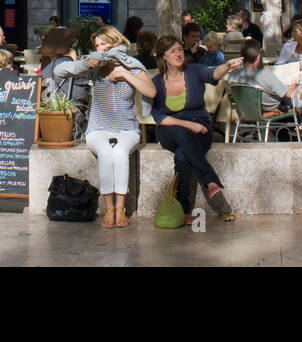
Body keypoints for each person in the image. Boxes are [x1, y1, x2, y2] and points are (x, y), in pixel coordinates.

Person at [52, 25, 155, 228]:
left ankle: (120, 209)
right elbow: (58, 71)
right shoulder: (95, 69)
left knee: (120, 153)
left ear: (115, 43)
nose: (100, 49)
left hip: (127, 128)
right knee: (107, 153)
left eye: (104, 44)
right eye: (97, 46)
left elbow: (150, 92)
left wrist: (125, 75)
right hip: (98, 128)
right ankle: (109, 209)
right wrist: (83, 64)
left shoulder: (132, 65)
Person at [151, 34, 242, 222]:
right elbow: (159, 116)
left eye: (179, 49)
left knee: (182, 156)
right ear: (163, 57)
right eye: (172, 51)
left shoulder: (193, 71)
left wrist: (227, 66)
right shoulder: (157, 82)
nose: (178, 54)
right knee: (179, 131)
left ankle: (184, 210)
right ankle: (210, 180)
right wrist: (188, 124)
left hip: (200, 127)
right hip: (171, 129)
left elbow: (213, 74)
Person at [229, 39, 302, 121]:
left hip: (247, 113)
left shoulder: (233, 75)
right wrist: (294, 82)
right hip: (276, 113)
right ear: (258, 57)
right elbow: (290, 94)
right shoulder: (264, 74)